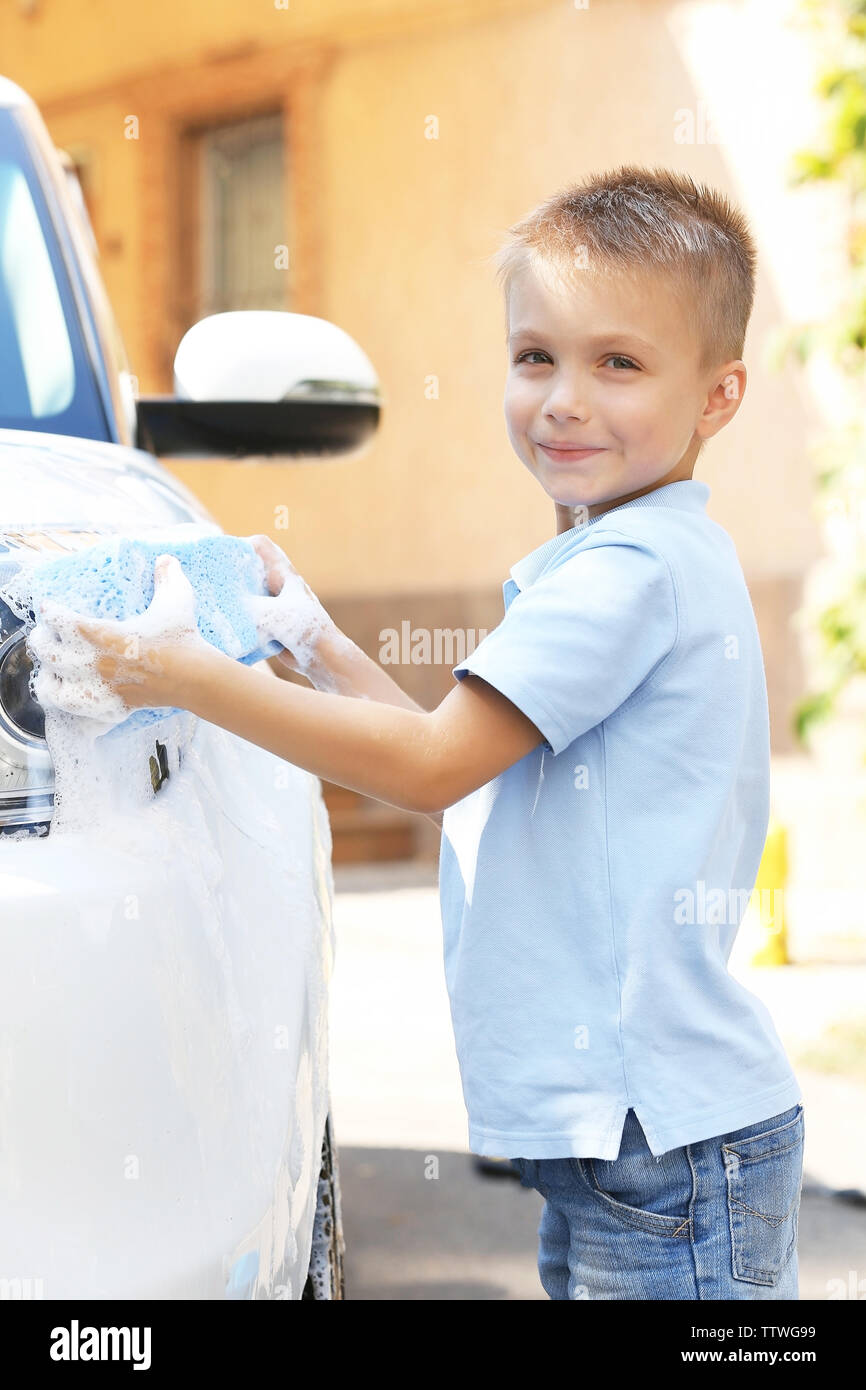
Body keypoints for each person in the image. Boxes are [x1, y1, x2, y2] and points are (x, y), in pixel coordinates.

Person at [57, 165, 804, 1300]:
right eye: (533, 356)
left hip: (662, 1146)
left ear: (717, 394)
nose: (561, 398)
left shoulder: (626, 573)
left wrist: (178, 673)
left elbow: (425, 769)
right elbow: (462, 768)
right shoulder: (632, 559)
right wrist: (312, 641)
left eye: (617, 363)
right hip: (634, 1143)